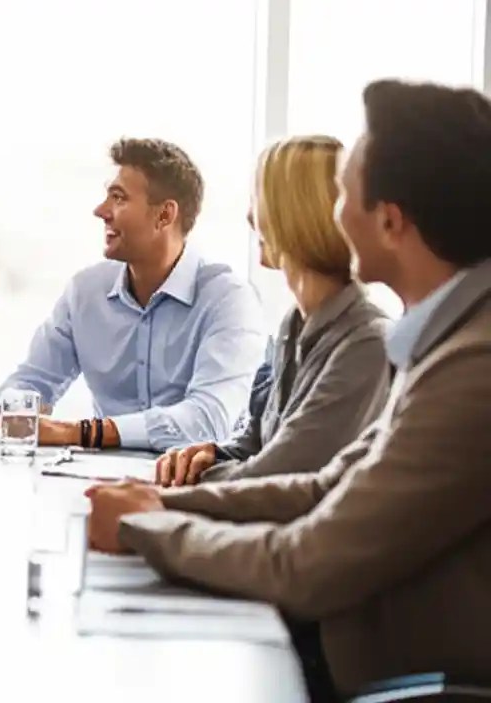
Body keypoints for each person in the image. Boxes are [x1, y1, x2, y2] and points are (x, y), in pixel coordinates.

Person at [86, 80, 491, 700]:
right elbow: (324, 487)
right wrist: (160, 504)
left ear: (389, 220)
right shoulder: (446, 343)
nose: (332, 214)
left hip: (398, 682)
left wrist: (147, 528)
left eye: (344, 195)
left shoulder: (472, 367)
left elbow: (306, 564)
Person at [0, 138, 266, 451]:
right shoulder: (85, 292)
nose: (101, 211)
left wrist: (82, 432)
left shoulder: (229, 300)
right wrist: (7, 408)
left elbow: (208, 420)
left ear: (165, 215)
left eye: (118, 198)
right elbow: (30, 382)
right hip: (95, 474)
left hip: (194, 478)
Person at [155, 135, 391, 486]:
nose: (250, 218)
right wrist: (211, 456)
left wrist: (174, 490)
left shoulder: (367, 343)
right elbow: (259, 444)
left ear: (294, 214)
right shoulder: (292, 326)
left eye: (259, 199)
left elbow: (283, 473)